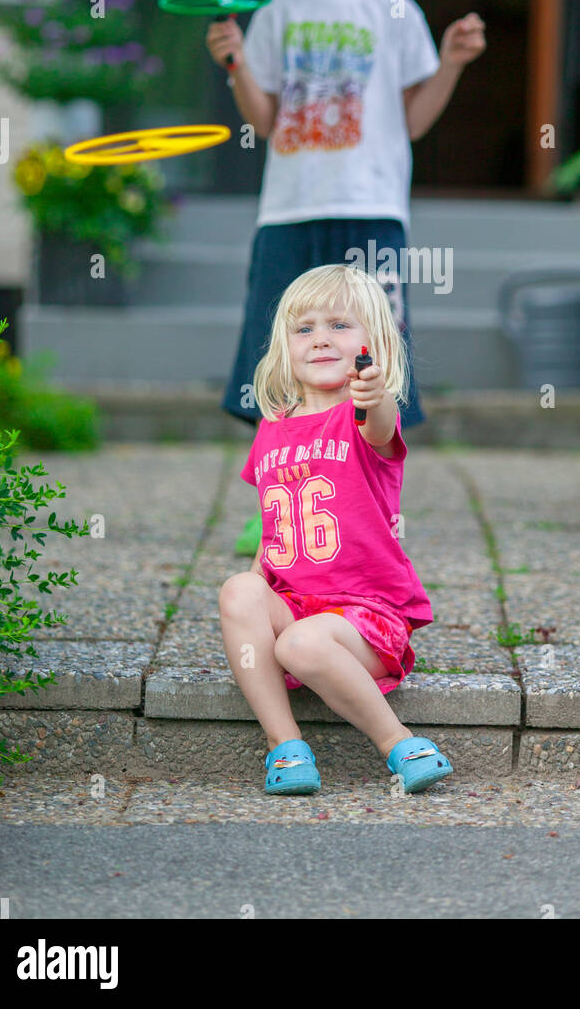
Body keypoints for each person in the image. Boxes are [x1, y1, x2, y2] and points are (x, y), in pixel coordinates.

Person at [206, 0, 485, 443]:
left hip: (372, 212)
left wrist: (454, 63)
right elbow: (263, 120)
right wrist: (237, 67)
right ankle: (284, 511)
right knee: (283, 358)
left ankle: (370, 505)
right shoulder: (278, 12)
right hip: (290, 213)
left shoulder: (396, 12)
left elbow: (414, 122)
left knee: (371, 363)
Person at [218, 262, 454, 795]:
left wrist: (375, 395)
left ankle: (399, 742)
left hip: (366, 617)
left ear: (374, 346)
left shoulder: (361, 417)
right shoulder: (272, 428)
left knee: (301, 643)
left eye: (339, 326)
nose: (321, 339)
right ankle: (286, 748)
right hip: (296, 604)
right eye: (305, 329)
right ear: (285, 346)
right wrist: (256, 589)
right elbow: (276, 527)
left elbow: (383, 423)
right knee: (239, 589)